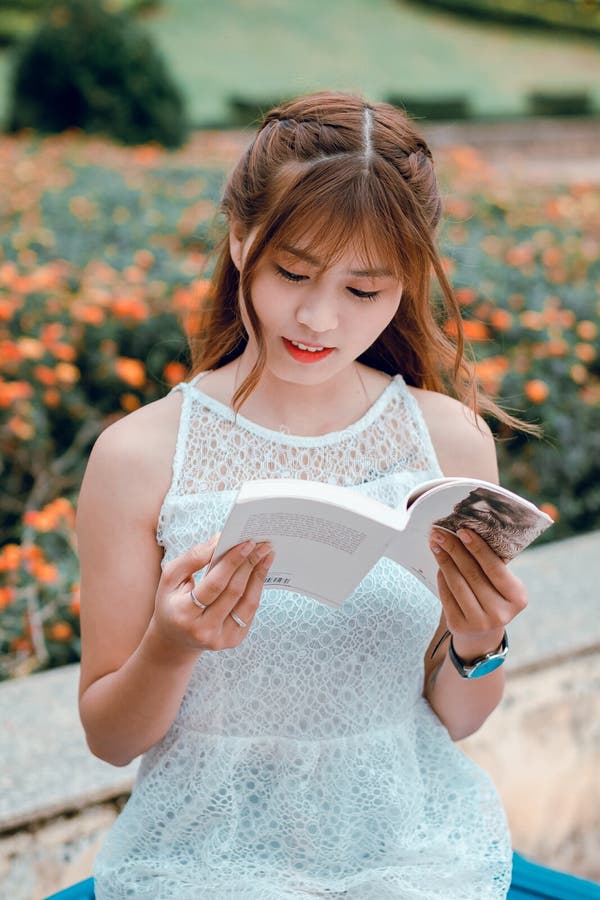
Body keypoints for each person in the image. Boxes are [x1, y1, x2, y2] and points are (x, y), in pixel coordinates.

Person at [76, 91, 537, 899]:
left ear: (409, 281)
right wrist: (171, 644)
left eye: (365, 291)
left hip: (415, 850)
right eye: (293, 273)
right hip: (205, 860)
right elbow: (110, 739)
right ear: (241, 238)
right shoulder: (139, 457)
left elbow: (459, 719)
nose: (319, 319)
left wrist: (477, 641)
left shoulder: (449, 441)